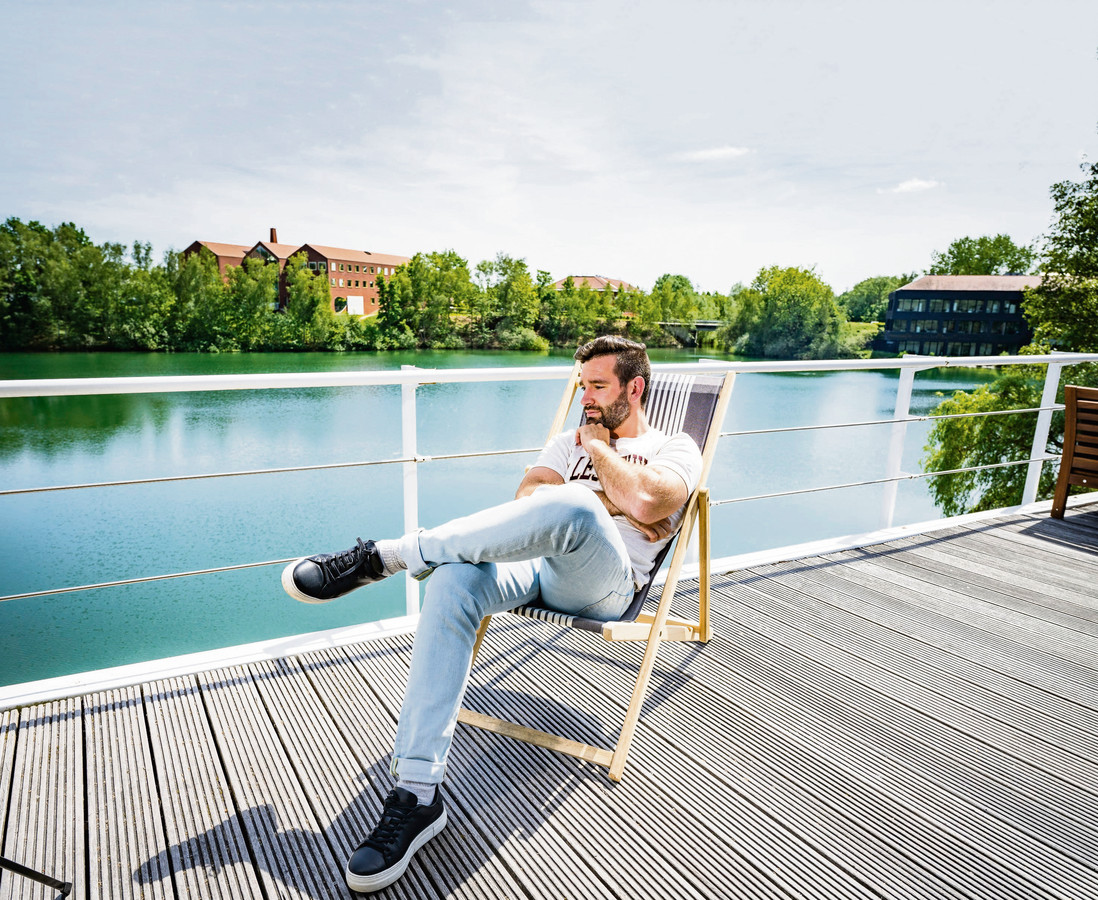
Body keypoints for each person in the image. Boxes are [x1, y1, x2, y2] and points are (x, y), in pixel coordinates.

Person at [281, 335, 702, 893]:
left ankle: (389, 556)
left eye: (598, 386)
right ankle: (416, 794)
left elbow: (649, 502)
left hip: (604, 586)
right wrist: (613, 499)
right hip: (536, 568)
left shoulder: (675, 448)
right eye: (582, 386)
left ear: (635, 387)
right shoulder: (564, 442)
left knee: (574, 503)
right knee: (454, 579)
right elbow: (525, 506)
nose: (586, 398)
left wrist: (599, 459)